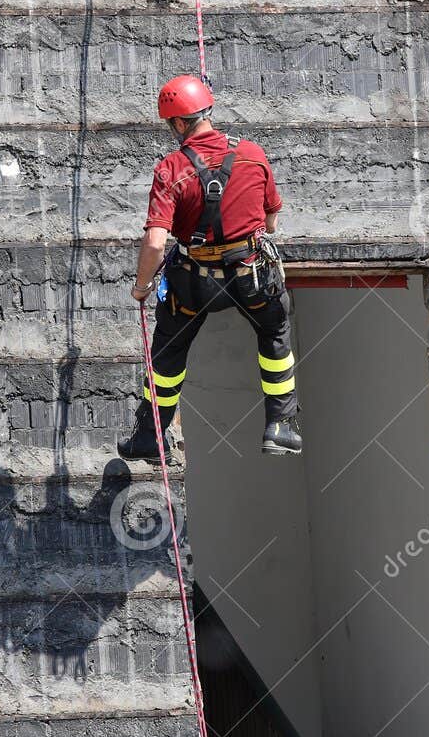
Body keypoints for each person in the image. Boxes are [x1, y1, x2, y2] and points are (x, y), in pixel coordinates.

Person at [119, 74, 302, 460]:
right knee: (274, 330)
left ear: (178, 122)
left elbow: (155, 241)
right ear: (207, 112)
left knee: (169, 350)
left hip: (194, 282)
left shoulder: (170, 169)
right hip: (250, 273)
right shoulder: (252, 153)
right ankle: (280, 426)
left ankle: (151, 435)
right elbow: (271, 222)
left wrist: (141, 286)